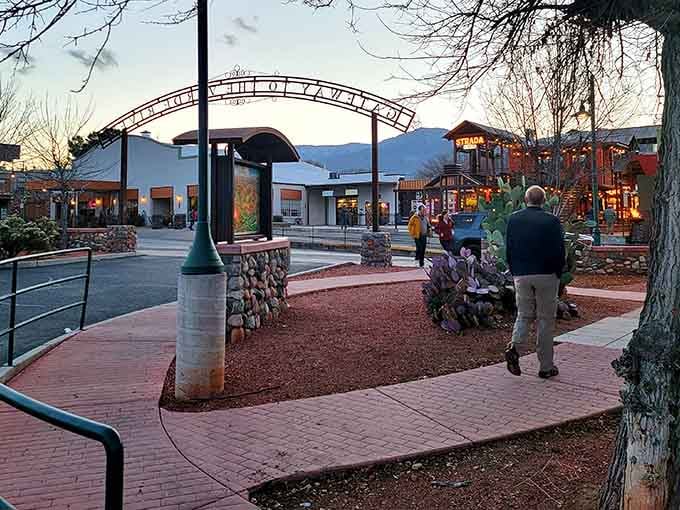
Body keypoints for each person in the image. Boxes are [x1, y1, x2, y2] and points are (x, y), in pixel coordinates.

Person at [504, 186, 565, 380]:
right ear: (544, 200)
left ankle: (515, 346)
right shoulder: (552, 221)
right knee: (546, 320)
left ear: (525, 199)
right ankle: (546, 366)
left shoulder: (514, 219)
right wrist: (558, 271)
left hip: (522, 273)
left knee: (523, 315)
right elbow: (559, 249)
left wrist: (514, 270)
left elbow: (510, 247)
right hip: (547, 274)